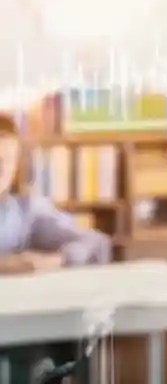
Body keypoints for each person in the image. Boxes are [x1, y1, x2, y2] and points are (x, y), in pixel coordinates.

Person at [0, 112, 110, 383]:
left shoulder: (26, 211)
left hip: (20, 337)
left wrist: (55, 261)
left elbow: (95, 242)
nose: (0, 169)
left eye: (7, 160)